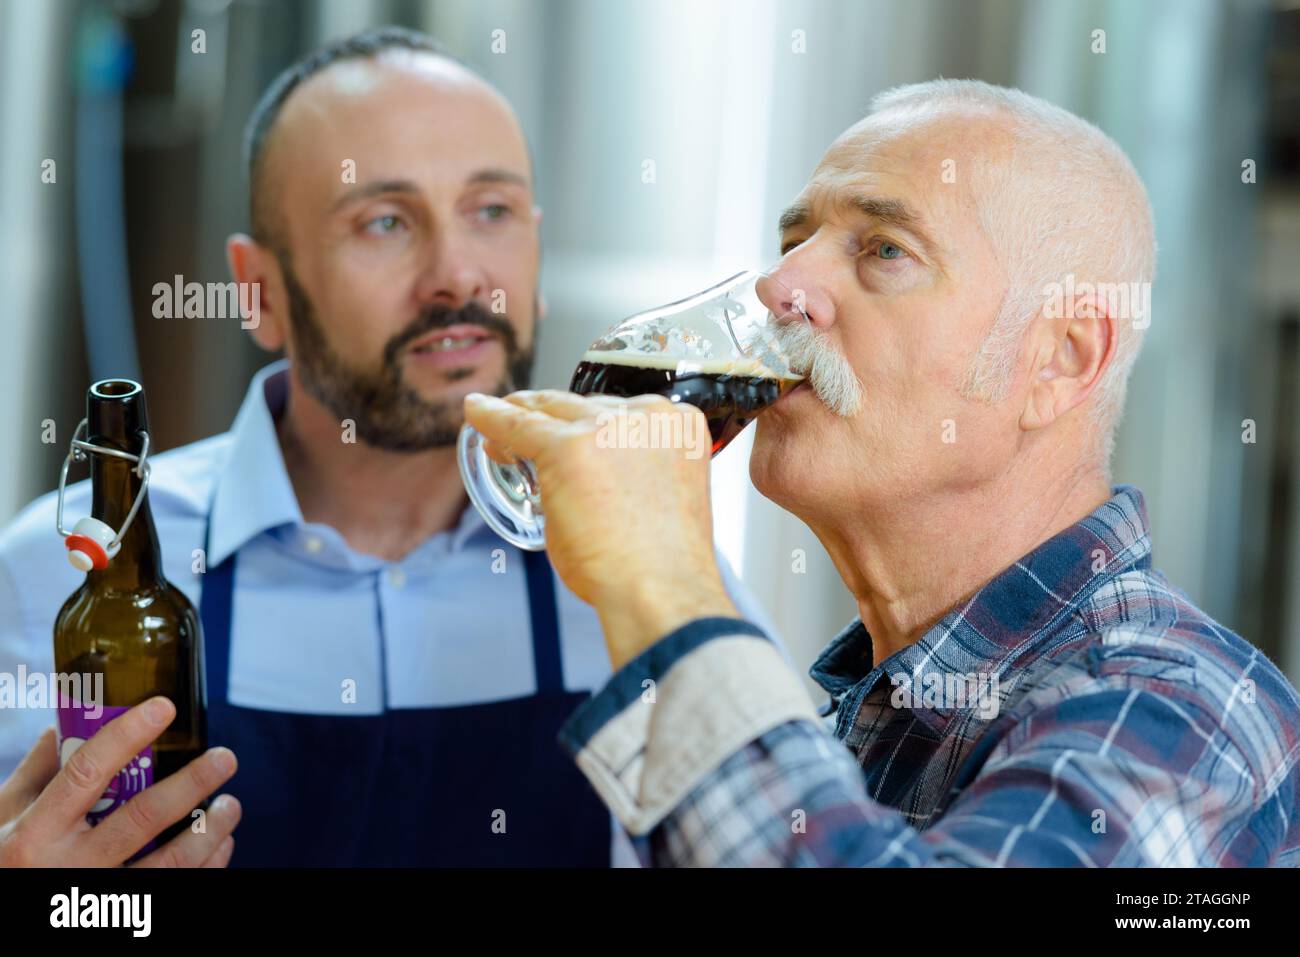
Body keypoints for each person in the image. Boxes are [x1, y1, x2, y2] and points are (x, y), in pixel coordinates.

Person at [464, 80, 1300, 866]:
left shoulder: (1184, 710)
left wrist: (667, 588)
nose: (781, 285)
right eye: (796, 243)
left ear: (1059, 362)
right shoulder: (871, 709)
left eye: (885, 250)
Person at [0, 26, 774, 867]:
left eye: (491, 210)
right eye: (383, 221)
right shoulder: (53, 576)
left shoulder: (649, 570)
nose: (458, 274)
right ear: (258, 291)